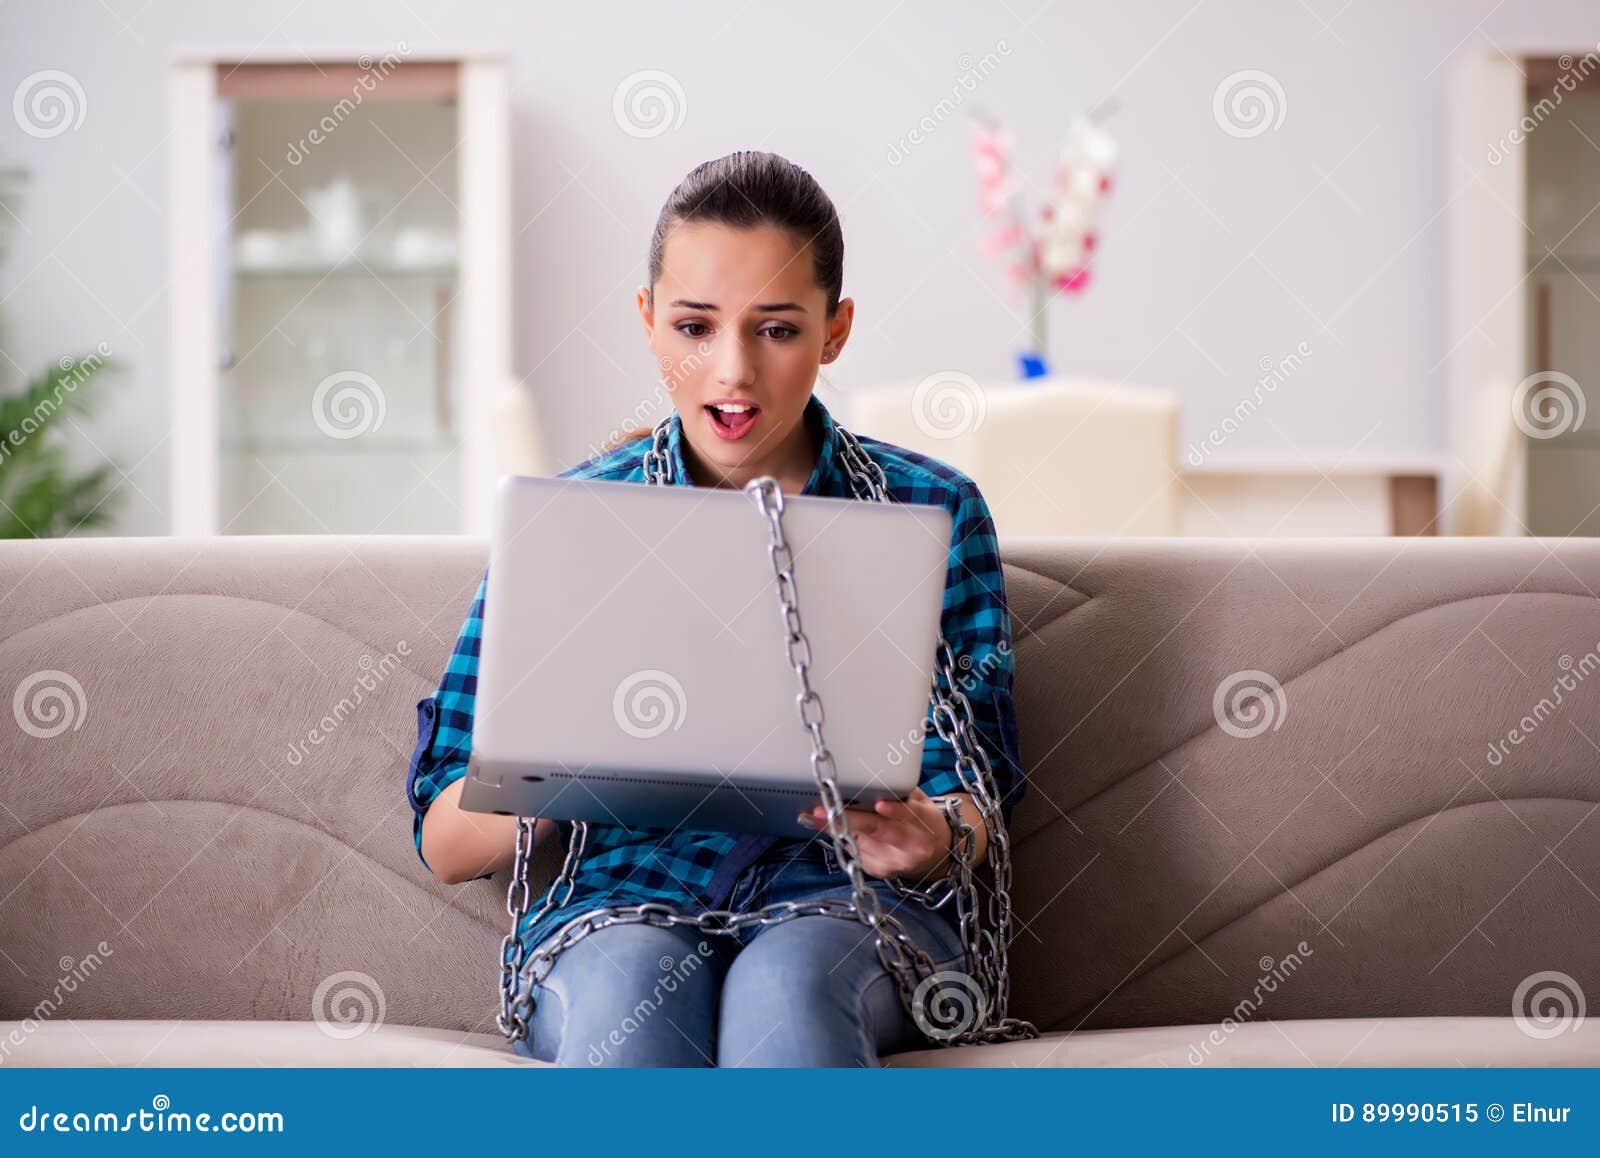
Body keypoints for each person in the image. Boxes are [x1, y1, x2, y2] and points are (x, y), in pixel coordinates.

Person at [405, 150, 1026, 1066]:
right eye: (695, 326)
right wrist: (568, 773)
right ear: (648, 318)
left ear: (835, 330)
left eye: (776, 330)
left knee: (784, 992)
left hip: (849, 906)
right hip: (617, 903)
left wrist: (936, 835)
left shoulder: (930, 511)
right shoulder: (569, 522)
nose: (731, 372)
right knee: (626, 998)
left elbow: (983, 793)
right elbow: (448, 839)